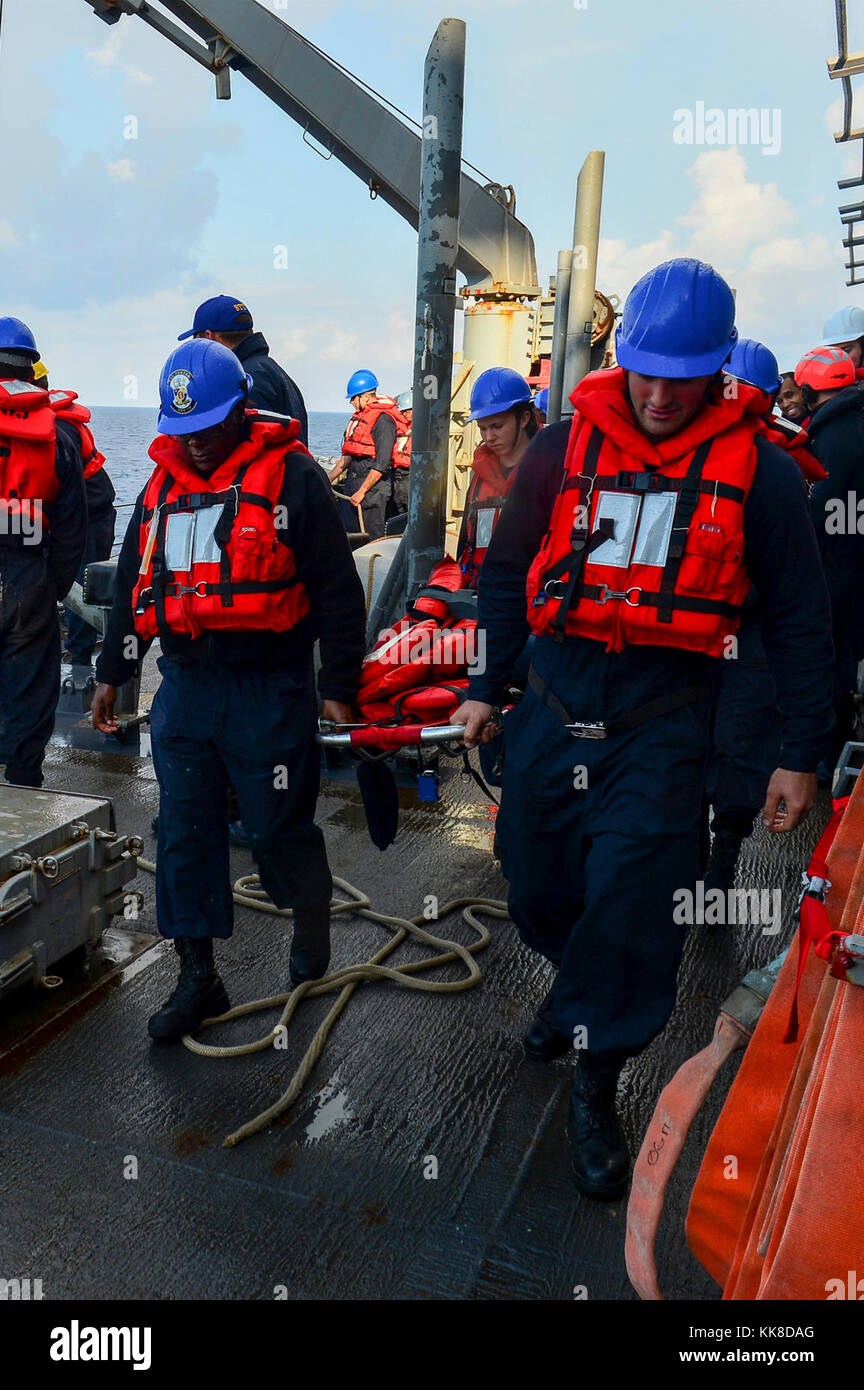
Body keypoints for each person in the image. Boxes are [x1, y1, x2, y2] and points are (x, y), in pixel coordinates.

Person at [452, 259, 833, 1201]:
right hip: (552, 701)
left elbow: (801, 619)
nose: (660, 395)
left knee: (631, 898)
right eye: (646, 370)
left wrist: (801, 753)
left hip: (664, 720)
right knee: (536, 880)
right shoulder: (558, 452)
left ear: (717, 369)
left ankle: (596, 1073)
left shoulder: (765, 475)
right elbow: (503, 580)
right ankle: (575, 986)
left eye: (684, 374)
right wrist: (480, 685)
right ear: (621, 358)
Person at [91, 339, 366, 1041]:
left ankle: (308, 915)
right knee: (182, 832)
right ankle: (197, 977)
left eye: (209, 427)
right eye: (184, 432)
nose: (199, 444)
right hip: (185, 686)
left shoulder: (296, 479)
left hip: (268, 687)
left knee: (276, 828)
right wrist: (114, 671)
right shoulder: (159, 491)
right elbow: (131, 585)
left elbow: (337, 591)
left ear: (241, 411)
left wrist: (338, 686)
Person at [0, 317, 87, 786]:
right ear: (31, 367)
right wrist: (50, 585)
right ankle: (22, 778)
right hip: (29, 572)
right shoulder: (58, 434)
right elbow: (74, 527)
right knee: (31, 683)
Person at [797, 345, 864, 778]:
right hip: (854, 560)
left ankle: (829, 754)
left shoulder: (834, 437)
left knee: (831, 658)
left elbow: (821, 509)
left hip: (838, 567)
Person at [39, 378, 116, 665]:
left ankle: (80, 659)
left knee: (83, 584)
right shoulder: (50, 420)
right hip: (79, 511)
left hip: (89, 514)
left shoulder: (59, 427)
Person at [178, 294, 308, 446]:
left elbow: (246, 449)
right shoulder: (272, 371)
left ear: (209, 336)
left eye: (196, 340)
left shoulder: (243, 381)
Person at [458, 367, 537, 589]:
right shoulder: (480, 474)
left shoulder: (547, 470)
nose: (489, 437)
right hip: (480, 590)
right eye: (482, 429)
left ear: (524, 418)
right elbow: (466, 538)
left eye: (497, 426)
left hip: (527, 597)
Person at [328, 370, 408, 540]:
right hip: (353, 484)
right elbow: (347, 457)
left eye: (353, 397)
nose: (351, 401)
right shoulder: (360, 418)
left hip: (373, 491)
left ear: (364, 397)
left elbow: (382, 463)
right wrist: (327, 479)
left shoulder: (383, 421)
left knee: (372, 538)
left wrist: (362, 491)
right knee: (350, 536)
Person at [390, 389, 413, 519]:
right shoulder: (400, 429)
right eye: (403, 411)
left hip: (410, 476)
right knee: (397, 511)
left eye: (409, 410)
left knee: (407, 512)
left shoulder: (422, 430)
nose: (406, 414)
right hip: (397, 476)